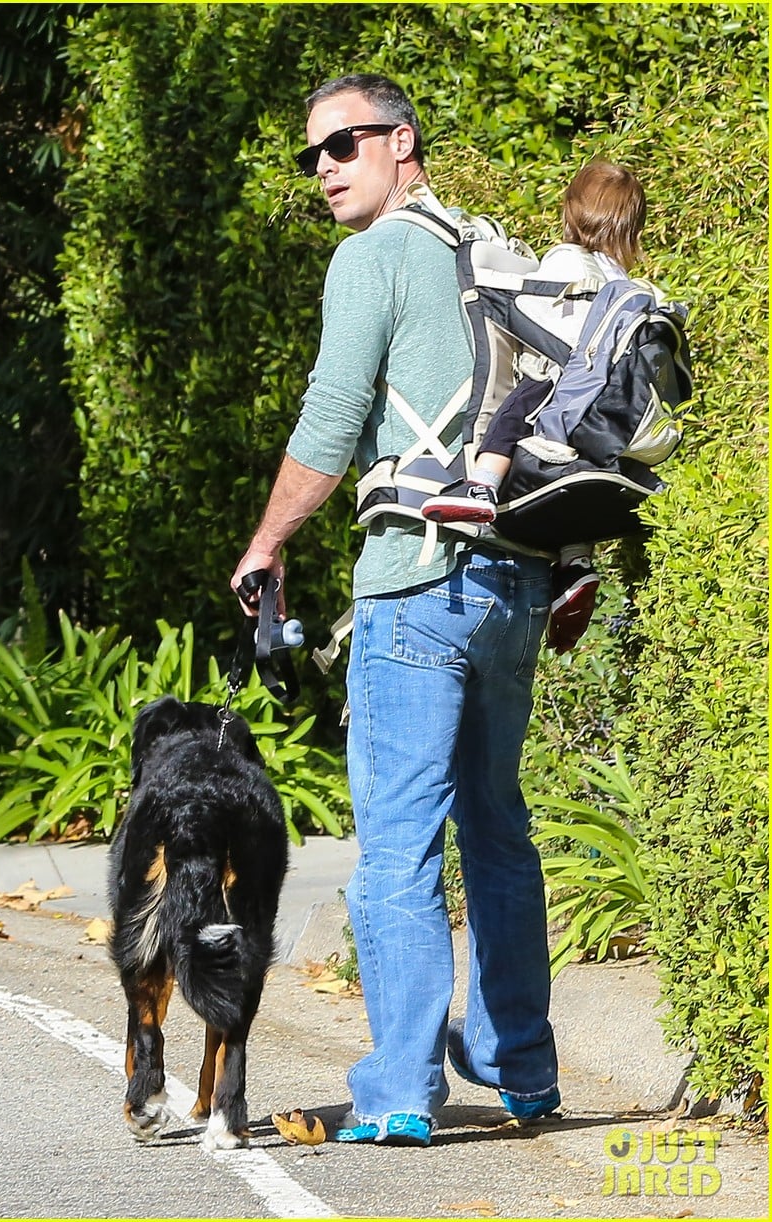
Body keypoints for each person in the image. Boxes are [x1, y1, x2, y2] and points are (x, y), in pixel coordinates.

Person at [231, 74, 561, 1148]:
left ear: (401, 142)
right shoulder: (490, 249)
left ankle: (401, 1091)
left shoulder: (373, 257)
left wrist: (268, 542)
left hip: (416, 584)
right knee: (498, 834)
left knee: (397, 848)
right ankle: (522, 1070)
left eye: (343, 145)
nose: (323, 169)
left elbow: (333, 414)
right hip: (513, 582)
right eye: (311, 156)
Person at [421, 161, 648, 636]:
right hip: (606, 407)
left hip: (557, 383)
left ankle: (480, 488)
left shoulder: (566, 260)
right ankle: (575, 562)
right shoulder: (627, 279)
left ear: (570, 212)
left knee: (506, 421)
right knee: (573, 480)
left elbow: (531, 311)